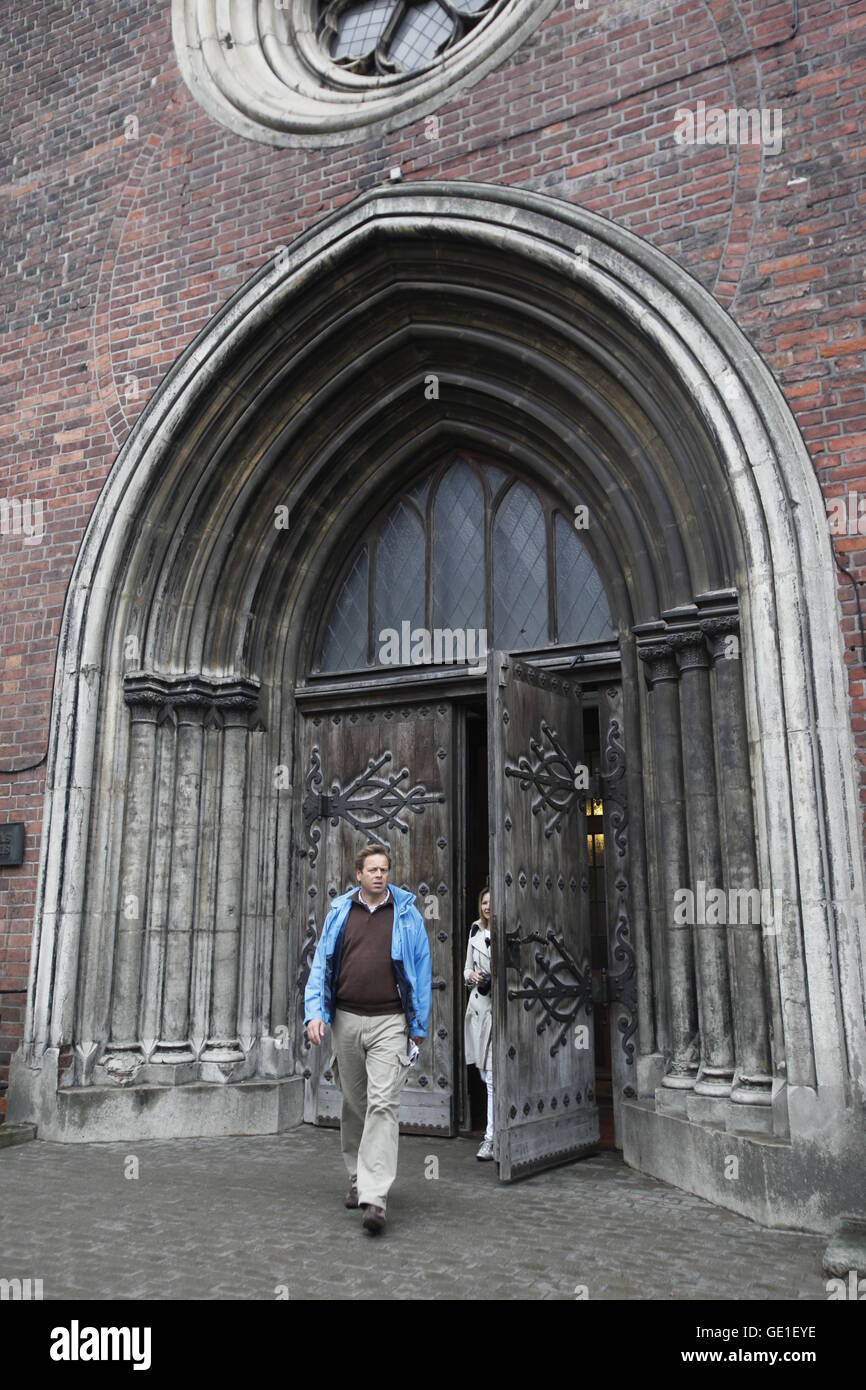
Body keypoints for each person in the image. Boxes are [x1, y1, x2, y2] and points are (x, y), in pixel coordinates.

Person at [304, 843, 431, 1236]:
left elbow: (422, 970)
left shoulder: (407, 915)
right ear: (357, 874)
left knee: (382, 1104)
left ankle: (375, 1197)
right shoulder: (340, 912)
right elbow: (322, 961)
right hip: (345, 1019)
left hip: (390, 1021)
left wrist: (418, 1026)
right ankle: (357, 1176)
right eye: (372, 869)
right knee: (356, 1102)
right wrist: (315, 1012)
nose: (380, 874)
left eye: (385, 869)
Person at [464, 886, 495, 1161]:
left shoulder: (507, 930)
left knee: (493, 1078)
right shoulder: (475, 932)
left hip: (500, 1010)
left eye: (492, 902)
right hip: (479, 1009)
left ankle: (491, 1137)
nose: (488, 906)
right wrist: (471, 975)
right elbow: (465, 969)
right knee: (486, 1075)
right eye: (484, 902)